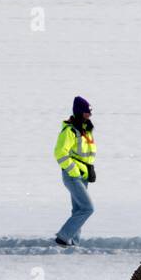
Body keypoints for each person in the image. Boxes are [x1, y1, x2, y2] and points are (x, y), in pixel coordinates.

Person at [53, 96, 96, 246]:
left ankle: (73, 242)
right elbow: (60, 152)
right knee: (88, 208)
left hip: (83, 175)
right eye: (86, 112)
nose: (89, 115)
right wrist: (73, 171)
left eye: (90, 112)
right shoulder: (70, 131)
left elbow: (85, 154)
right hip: (73, 176)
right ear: (79, 112)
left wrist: (90, 169)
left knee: (78, 209)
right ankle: (63, 237)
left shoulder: (85, 130)